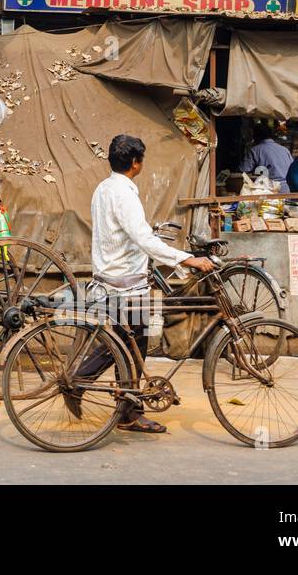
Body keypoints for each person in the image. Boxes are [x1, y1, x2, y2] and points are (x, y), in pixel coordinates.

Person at [73, 134, 215, 434]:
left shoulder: (104, 188)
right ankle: (100, 394)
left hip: (110, 276)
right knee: (129, 344)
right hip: (125, 283)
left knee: (128, 343)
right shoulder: (124, 193)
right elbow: (144, 239)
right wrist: (187, 259)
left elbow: (122, 230)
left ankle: (120, 404)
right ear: (136, 163)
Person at [240, 122, 293, 191]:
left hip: (267, 190)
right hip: (286, 189)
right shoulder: (284, 150)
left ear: (256, 136)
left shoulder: (255, 150)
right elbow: (292, 169)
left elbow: (244, 170)